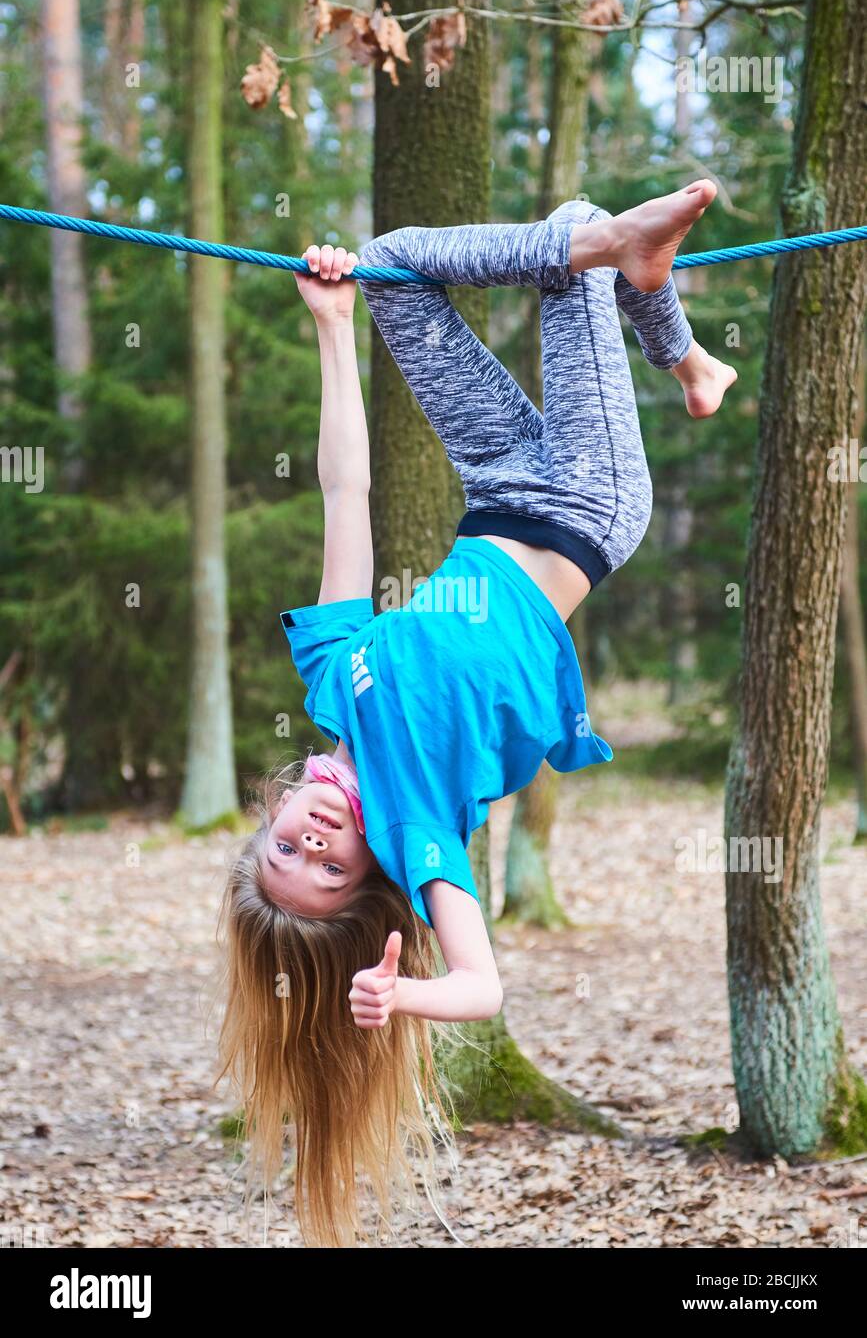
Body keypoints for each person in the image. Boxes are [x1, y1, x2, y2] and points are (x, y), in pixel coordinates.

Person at [216, 180, 737, 1246]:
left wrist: (331, 332)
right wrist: (402, 1001)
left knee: (395, 268)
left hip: (498, 483)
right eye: (325, 876)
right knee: (578, 243)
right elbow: (483, 986)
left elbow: (344, 497)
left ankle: (686, 354)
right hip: (588, 509)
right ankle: (661, 313)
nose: (311, 849)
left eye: (282, 852)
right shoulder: (418, 835)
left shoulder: (329, 677)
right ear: (365, 880)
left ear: (274, 809)